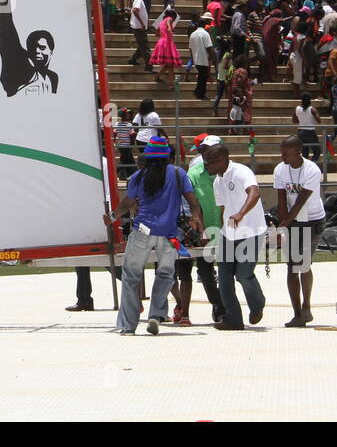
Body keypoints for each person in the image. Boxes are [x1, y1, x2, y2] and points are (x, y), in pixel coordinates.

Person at [105, 137, 197, 335]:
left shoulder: (138, 177)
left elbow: (127, 203)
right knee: (165, 275)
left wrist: (112, 216)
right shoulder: (178, 173)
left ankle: (128, 325)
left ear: (147, 157)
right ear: (166, 157)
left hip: (143, 231)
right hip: (169, 234)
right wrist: (196, 218)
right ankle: (156, 315)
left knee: (131, 276)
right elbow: (192, 200)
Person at [205, 142, 266, 330]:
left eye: (210, 162)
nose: (208, 166)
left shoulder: (241, 172)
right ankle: (233, 319)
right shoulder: (217, 180)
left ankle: (257, 305)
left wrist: (241, 213)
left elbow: (254, 193)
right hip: (228, 233)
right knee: (224, 278)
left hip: (251, 231)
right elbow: (223, 208)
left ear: (221, 159)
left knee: (243, 274)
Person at [171, 134, 225, 325]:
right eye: (202, 150)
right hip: (204, 231)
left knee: (229, 272)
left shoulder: (232, 172)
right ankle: (217, 306)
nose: (204, 154)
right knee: (205, 269)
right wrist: (200, 230)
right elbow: (193, 205)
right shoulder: (193, 173)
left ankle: (227, 304)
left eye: (207, 150)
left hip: (228, 230)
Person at [274, 135, 326, 327]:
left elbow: (299, 202)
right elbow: (281, 201)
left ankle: (307, 306)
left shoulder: (311, 170)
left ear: (297, 151)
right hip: (292, 221)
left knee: (303, 264)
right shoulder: (280, 170)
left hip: (312, 220)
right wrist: (281, 228)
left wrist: (282, 228)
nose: (282, 155)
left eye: (286, 151)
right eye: (281, 151)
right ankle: (297, 314)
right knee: (291, 266)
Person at [0, 0, 58, 95]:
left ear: (51, 52)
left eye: (42, 48)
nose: (37, 51)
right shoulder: (20, 69)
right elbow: (5, 27)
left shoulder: (53, 79)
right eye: (33, 48)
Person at [149, 8, 181, 88]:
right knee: (170, 64)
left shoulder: (161, 21)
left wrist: (163, 33)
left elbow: (157, 32)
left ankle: (158, 77)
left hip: (161, 41)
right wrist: (170, 29)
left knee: (169, 65)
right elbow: (169, 24)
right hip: (167, 43)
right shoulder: (169, 19)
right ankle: (171, 84)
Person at [189, 14, 213, 99]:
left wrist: (192, 59)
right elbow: (209, 47)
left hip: (196, 59)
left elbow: (190, 49)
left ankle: (197, 92)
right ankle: (200, 94)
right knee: (203, 77)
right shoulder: (205, 34)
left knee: (201, 76)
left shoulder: (193, 34)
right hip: (203, 59)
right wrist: (213, 58)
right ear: (204, 25)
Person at [127, 0, 152, 71]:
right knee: (145, 47)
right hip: (139, 28)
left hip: (140, 28)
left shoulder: (139, 0)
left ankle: (132, 59)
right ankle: (149, 65)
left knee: (141, 46)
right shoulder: (139, 0)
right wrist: (142, 23)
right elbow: (135, 10)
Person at [293, 93, 322, 160]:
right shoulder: (312, 109)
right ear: (310, 100)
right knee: (317, 152)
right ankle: (311, 166)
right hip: (310, 132)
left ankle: (305, 169)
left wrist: (302, 119)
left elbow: (294, 121)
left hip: (300, 132)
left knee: (304, 153)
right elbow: (319, 120)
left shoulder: (297, 109)